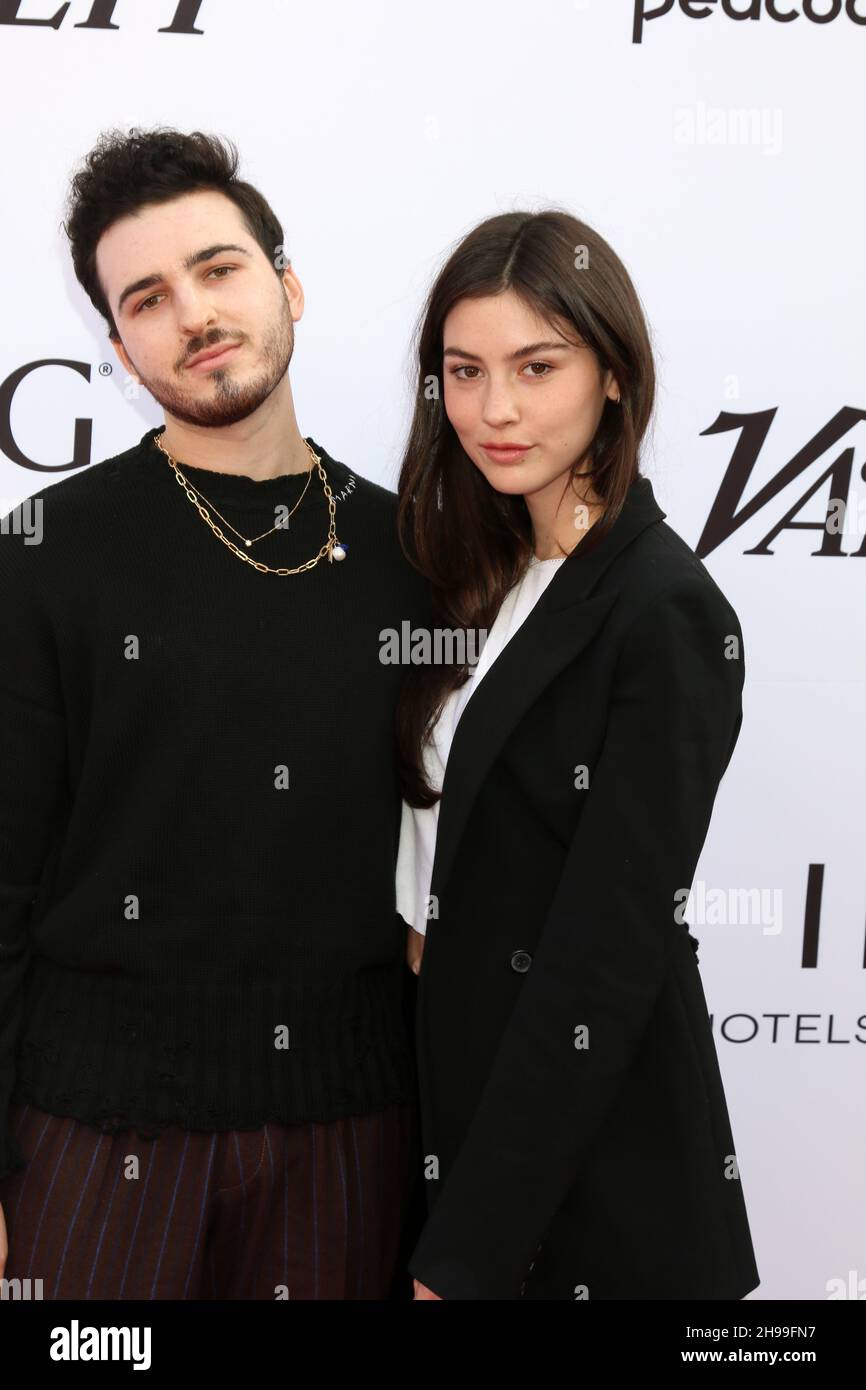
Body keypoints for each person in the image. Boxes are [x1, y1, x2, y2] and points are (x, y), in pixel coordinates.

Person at [0, 126, 432, 1300]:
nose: (191, 312)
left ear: (285, 283)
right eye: (147, 297)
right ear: (119, 346)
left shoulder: (419, 557)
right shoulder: (48, 556)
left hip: (349, 1129)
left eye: (218, 269)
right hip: (95, 1130)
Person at [394, 209, 761, 1300]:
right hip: (451, 1093)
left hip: (587, 1158)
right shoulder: (472, 567)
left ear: (612, 374)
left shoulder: (663, 609)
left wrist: (462, 1257)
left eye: (535, 367)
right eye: (463, 371)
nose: (493, 409)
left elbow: (601, 960)